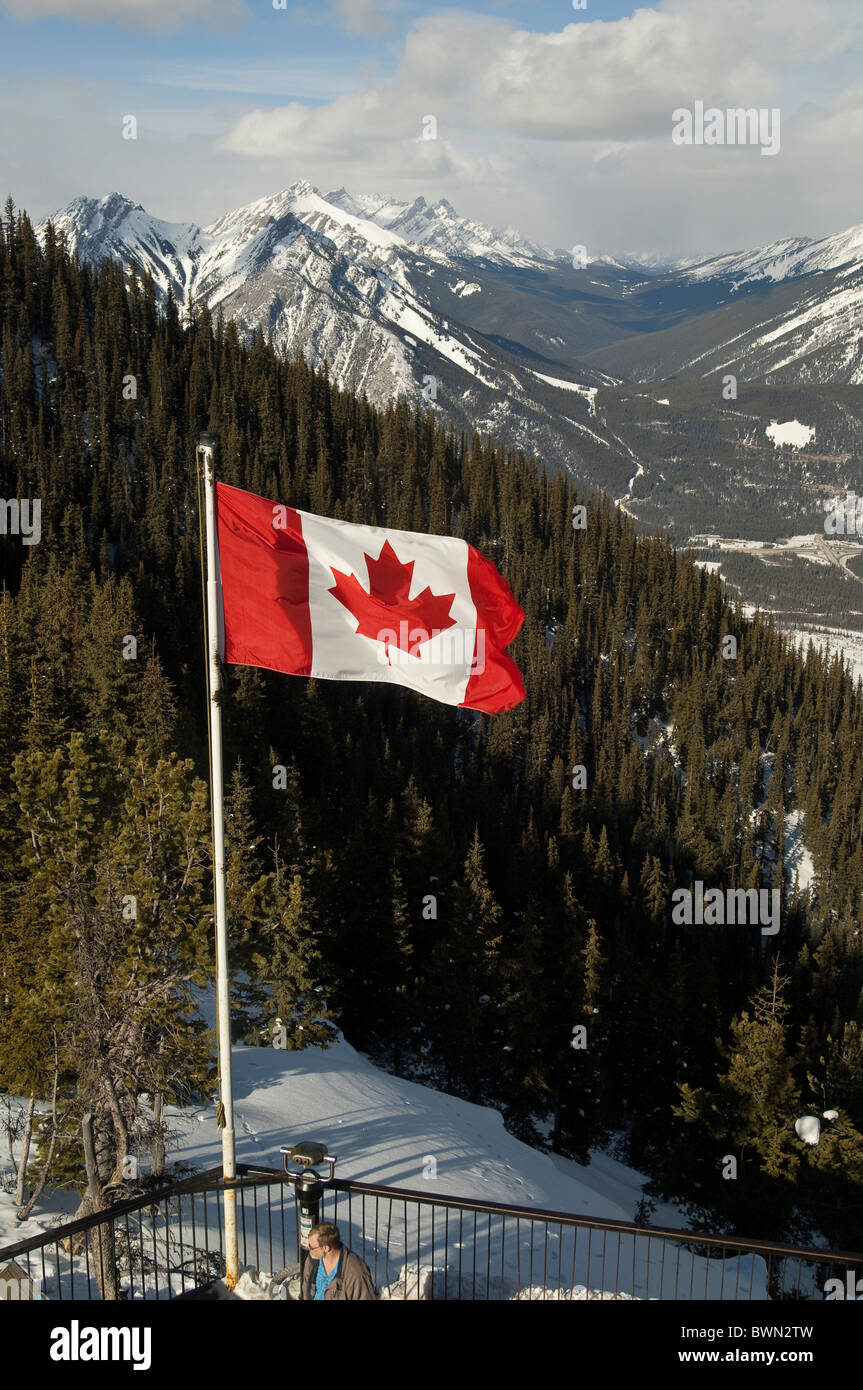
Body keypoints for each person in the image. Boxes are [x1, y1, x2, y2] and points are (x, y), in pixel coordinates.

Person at [302, 1222, 376, 1300]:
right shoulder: (313, 1260)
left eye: (312, 1247)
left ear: (326, 1248)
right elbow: (306, 1289)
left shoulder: (356, 1272)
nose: (308, 1249)